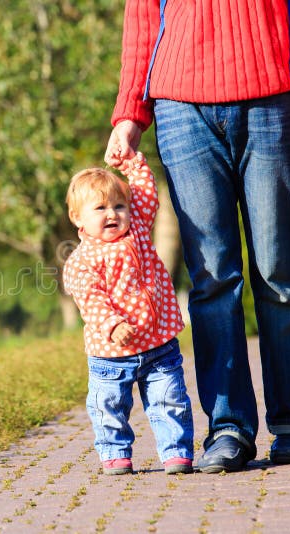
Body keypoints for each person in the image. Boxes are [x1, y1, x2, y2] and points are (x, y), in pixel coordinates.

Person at [104, 1, 290, 473]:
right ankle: (229, 428)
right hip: (181, 107)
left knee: (278, 270)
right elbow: (143, 19)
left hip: (274, 97)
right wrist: (130, 111)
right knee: (211, 280)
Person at [63, 154, 194, 475]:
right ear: (77, 217)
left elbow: (147, 194)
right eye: (100, 209)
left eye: (119, 207)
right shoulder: (81, 261)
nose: (112, 214)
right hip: (111, 353)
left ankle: (175, 451)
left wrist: (132, 163)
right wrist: (112, 324)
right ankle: (115, 452)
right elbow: (90, 298)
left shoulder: (136, 229)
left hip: (158, 344)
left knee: (169, 400)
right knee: (109, 407)